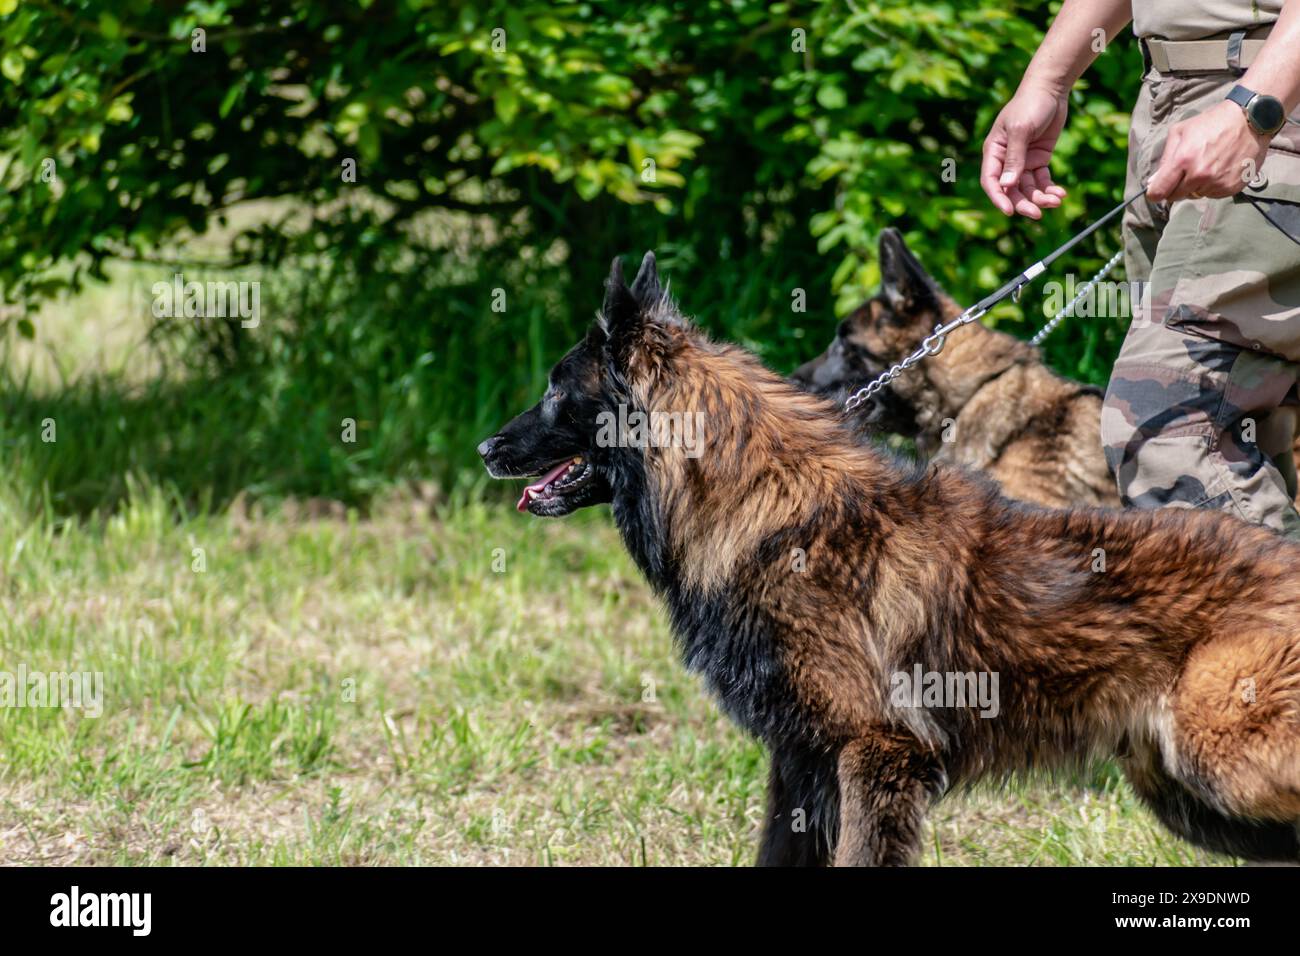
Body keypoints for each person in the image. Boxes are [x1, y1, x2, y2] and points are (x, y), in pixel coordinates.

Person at [981, 1, 1300, 536]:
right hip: (1172, 107)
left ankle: (1266, 592)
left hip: (1265, 104)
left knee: (1168, 433)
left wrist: (1252, 107)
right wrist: (1047, 82)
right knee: (1238, 438)